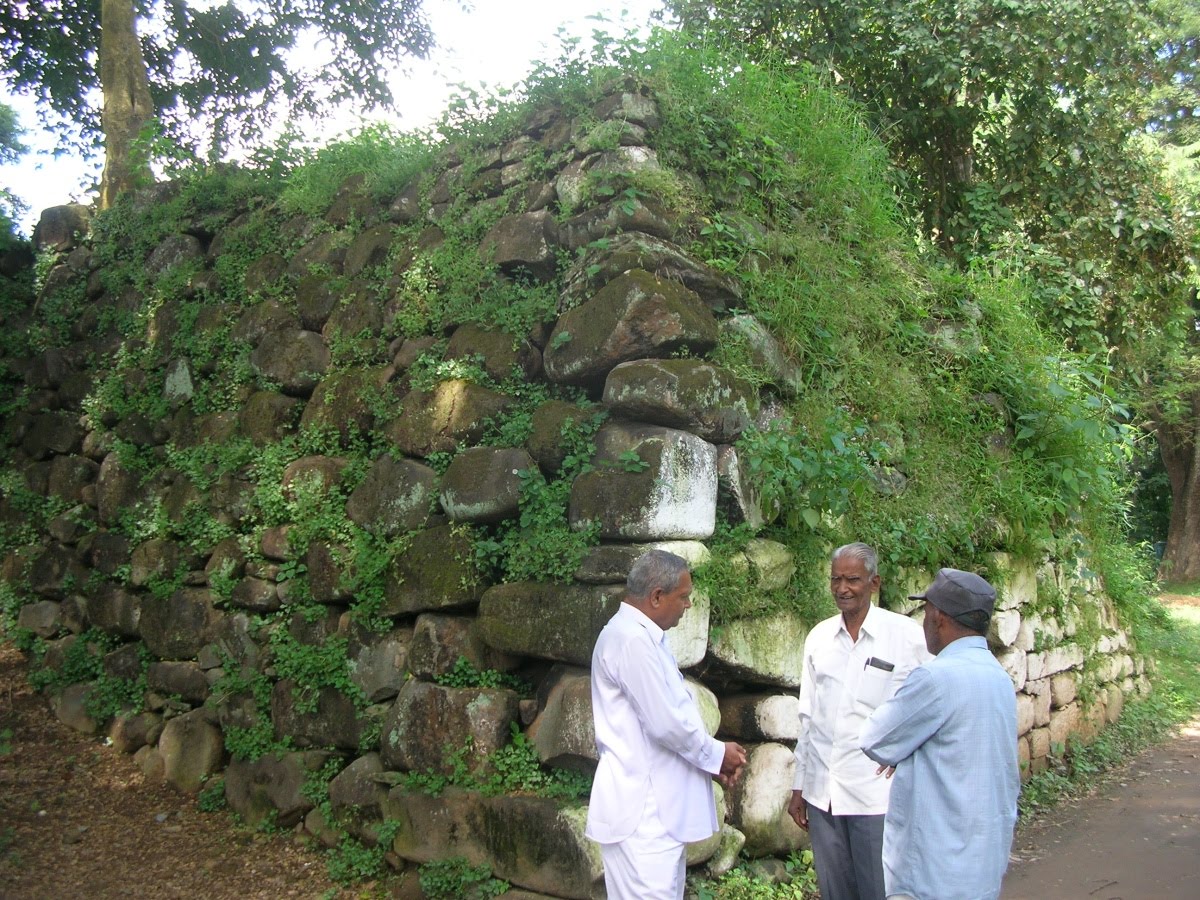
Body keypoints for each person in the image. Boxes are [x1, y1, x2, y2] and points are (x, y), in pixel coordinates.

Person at [586, 549, 747, 900]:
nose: (688, 605)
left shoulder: (643, 637)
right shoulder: (631, 640)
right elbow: (667, 724)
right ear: (657, 596)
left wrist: (710, 760)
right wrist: (717, 754)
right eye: (684, 596)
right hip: (642, 815)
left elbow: (671, 718)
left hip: (656, 814)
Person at [860, 568, 1019, 900]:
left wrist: (904, 746)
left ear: (940, 618)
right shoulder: (998, 677)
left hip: (933, 869)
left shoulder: (935, 678)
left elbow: (876, 738)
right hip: (981, 862)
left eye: (926, 611)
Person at [787, 542, 929, 900]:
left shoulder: (906, 636)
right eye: (836, 579)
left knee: (880, 891)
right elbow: (808, 718)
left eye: (852, 579)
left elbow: (931, 706)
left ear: (874, 583)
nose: (842, 588)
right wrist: (799, 786)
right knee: (835, 892)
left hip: (875, 795)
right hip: (824, 795)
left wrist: (908, 752)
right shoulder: (819, 638)